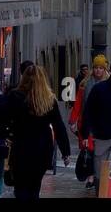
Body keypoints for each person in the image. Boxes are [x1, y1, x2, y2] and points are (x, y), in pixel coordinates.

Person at [7, 66, 70, 199]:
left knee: (21, 186)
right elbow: (59, 126)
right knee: (34, 186)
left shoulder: (15, 96)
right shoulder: (49, 100)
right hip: (42, 148)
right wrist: (65, 152)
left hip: (21, 146)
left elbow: (5, 119)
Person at [69, 58, 107, 133]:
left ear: (104, 70)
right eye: (96, 68)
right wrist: (73, 120)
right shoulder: (85, 84)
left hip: (103, 123)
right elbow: (78, 103)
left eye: (101, 68)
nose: (98, 70)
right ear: (93, 69)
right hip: (85, 121)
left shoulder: (109, 85)